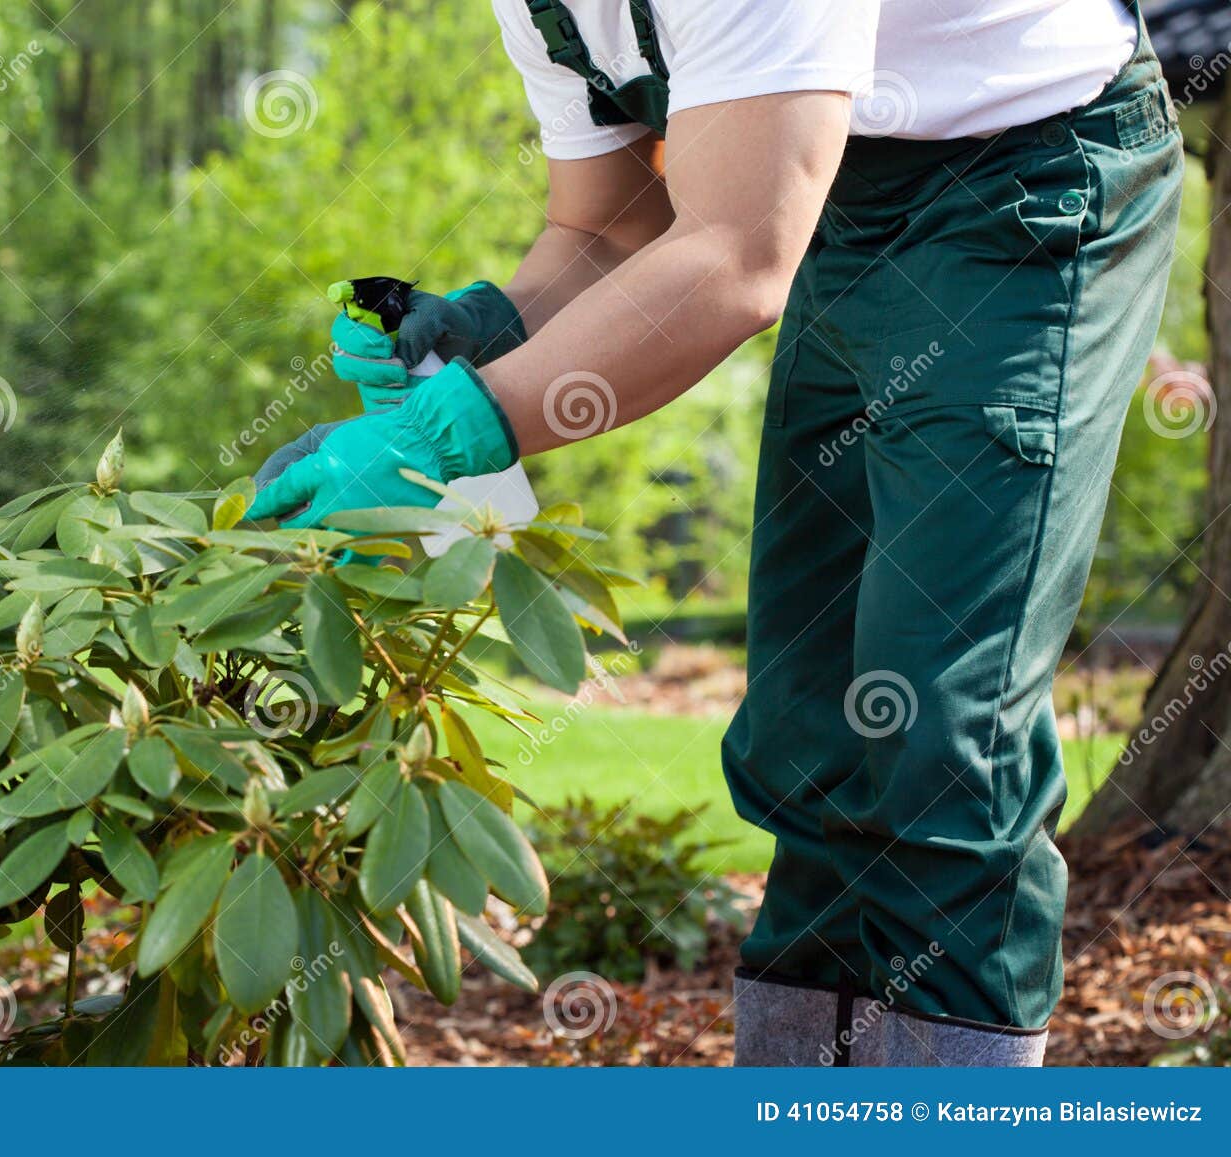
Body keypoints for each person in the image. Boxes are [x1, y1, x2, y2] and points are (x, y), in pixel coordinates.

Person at [247, 0, 1184, 1066]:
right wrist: (484, 334)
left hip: (1030, 174)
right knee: (809, 716)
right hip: (838, 185)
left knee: (935, 720)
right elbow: (609, 226)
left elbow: (736, 258)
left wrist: (447, 429)